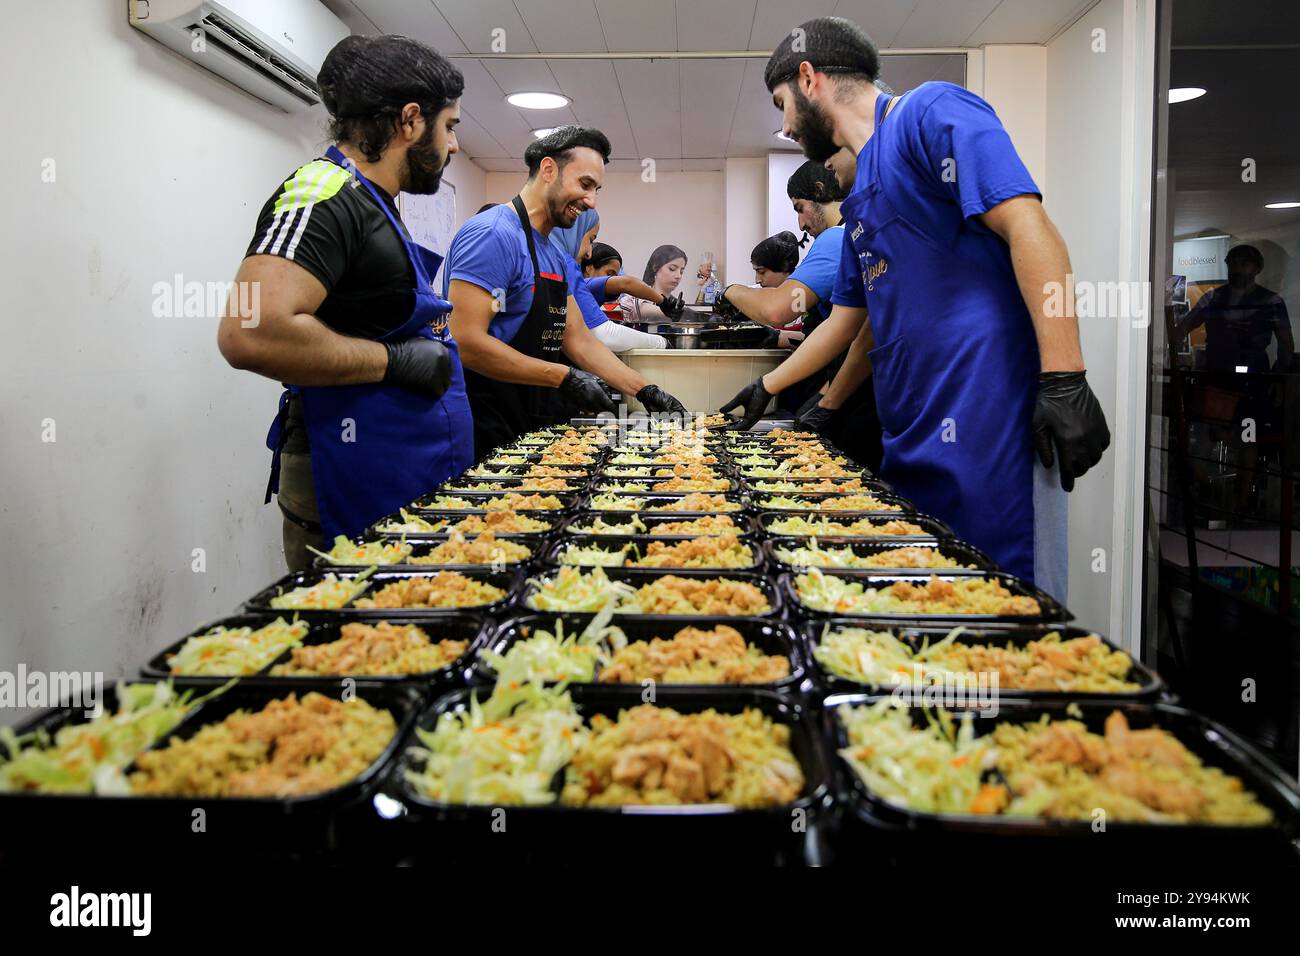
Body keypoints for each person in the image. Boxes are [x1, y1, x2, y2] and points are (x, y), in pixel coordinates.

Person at [724, 16, 1111, 598]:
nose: (783, 125)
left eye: (781, 103)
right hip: (909, 432)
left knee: (1008, 607)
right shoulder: (858, 200)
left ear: (809, 79)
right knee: (930, 606)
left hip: (989, 421)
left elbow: (1030, 227)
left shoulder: (930, 113)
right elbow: (857, 325)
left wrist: (1064, 375)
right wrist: (780, 391)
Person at [217, 35, 472, 570]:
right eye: (448, 126)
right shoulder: (324, 189)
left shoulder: (377, 202)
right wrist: (392, 361)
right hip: (347, 471)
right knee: (349, 642)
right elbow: (250, 331)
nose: (451, 146)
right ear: (409, 121)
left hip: (396, 470)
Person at [445, 126, 686, 454]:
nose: (591, 201)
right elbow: (466, 342)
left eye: (597, 189)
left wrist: (646, 390)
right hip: (488, 423)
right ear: (548, 170)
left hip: (534, 421)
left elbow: (580, 340)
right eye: (585, 184)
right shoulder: (493, 235)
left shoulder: (555, 256)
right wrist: (565, 377)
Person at [547, 210, 677, 351]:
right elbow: (626, 284)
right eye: (591, 239)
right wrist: (662, 342)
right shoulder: (568, 267)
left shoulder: (549, 259)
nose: (588, 253)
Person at [1175, 244, 1293, 373]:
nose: (1236, 268)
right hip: (1217, 373)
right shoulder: (1211, 297)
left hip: (1255, 374)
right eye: (1232, 264)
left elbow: (1285, 343)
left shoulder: (1271, 301)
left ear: (1257, 268)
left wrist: (1278, 376)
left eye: (1243, 264)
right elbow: (1183, 328)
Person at [620, 245, 689, 323]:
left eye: (681, 271)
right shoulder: (635, 299)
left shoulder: (677, 305)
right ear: (655, 267)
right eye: (672, 269)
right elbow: (628, 307)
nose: (678, 276)